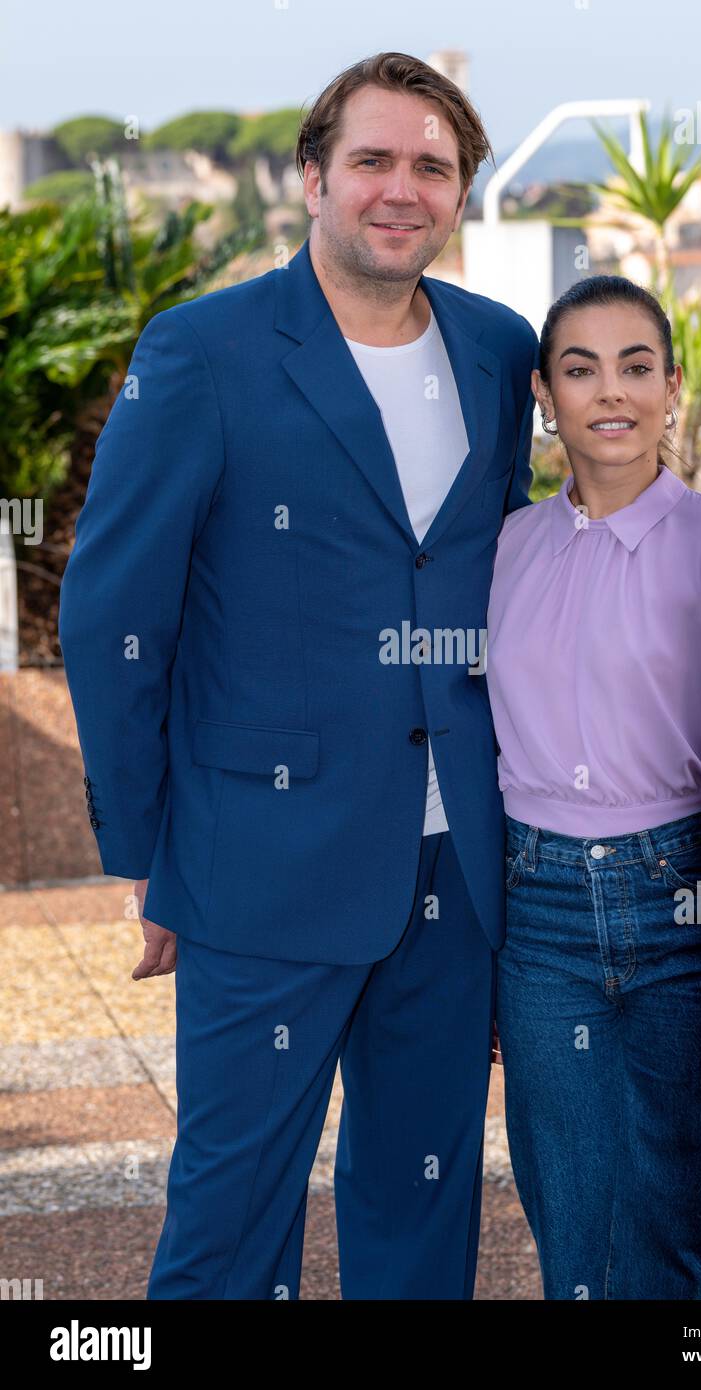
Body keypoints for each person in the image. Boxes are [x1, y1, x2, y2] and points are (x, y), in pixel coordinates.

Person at [58, 51, 538, 1300]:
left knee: (423, 1216)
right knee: (229, 1224)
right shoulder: (204, 351)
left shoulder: (499, 349)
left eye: (432, 166)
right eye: (373, 160)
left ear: (460, 193)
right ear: (314, 177)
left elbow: (509, 583)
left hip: (453, 867)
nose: (401, 188)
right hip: (257, 864)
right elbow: (113, 613)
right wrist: (154, 854)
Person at [485, 275, 701, 1300]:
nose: (609, 392)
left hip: (682, 913)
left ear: (672, 386)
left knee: (670, 1245)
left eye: (635, 366)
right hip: (538, 926)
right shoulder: (506, 550)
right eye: (580, 369)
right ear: (545, 394)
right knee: (572, 1240)